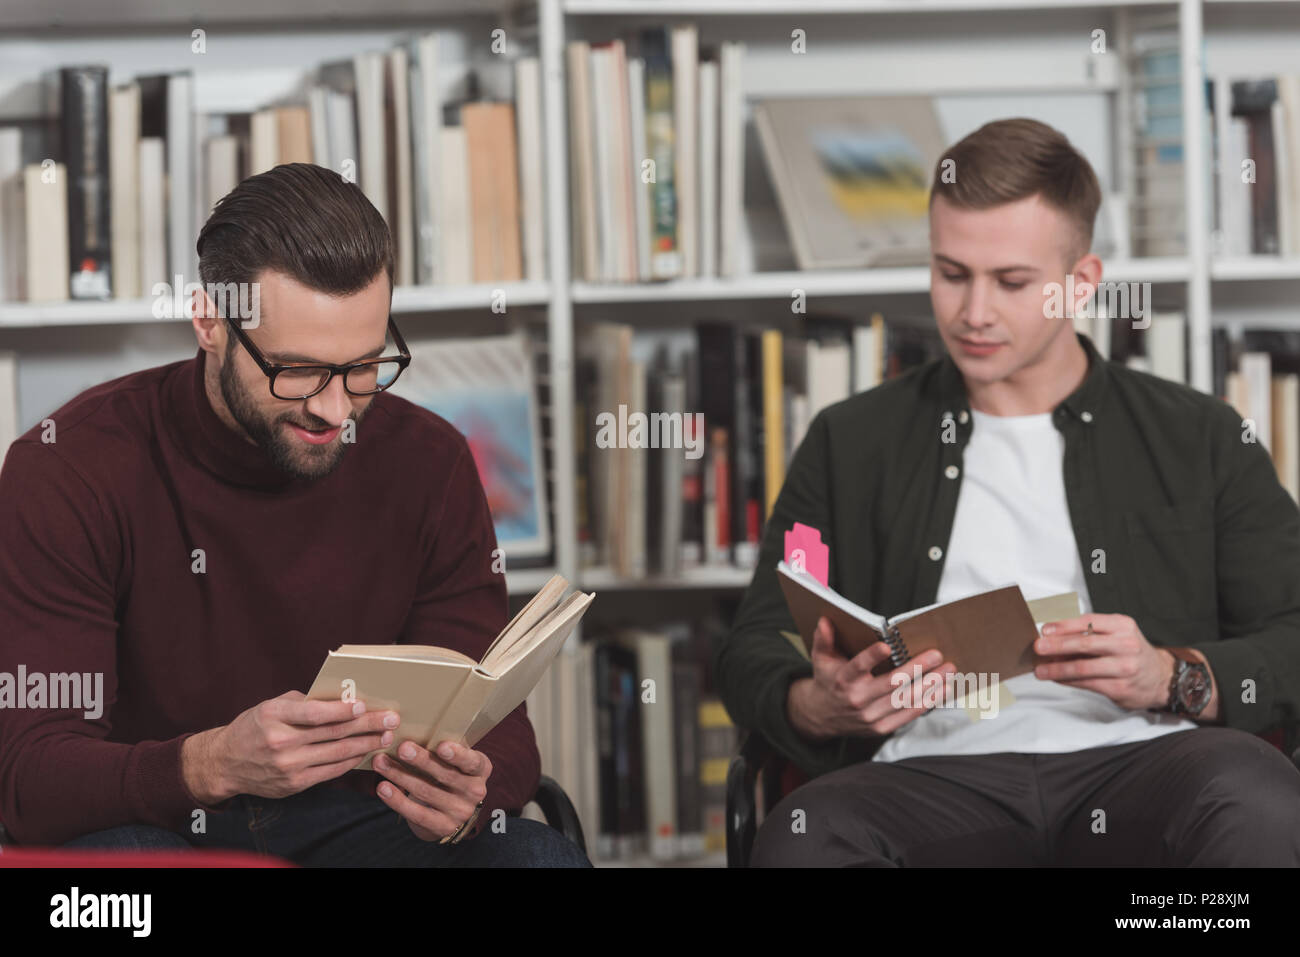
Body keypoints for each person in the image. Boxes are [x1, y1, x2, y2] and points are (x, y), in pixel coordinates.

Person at [715, 118, 1300, 866]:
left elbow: (1291, 633)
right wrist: (817, 702)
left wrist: (1171, 673)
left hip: (1143, 767)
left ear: (1080, 283)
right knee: (803, 840)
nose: (973, 313)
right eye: (951, 273)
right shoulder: (850, 440)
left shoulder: (1201, 436)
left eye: (1012, 282)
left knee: (1256, 797)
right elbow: (754, 644)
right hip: (928, 777)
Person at [0, 163, 589, 867]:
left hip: (366, 818)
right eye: (297, 371)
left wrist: (470, 793)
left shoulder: (431, 461)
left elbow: (507, 737)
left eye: (364, 365)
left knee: (532, 855)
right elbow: (28, 777)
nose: (335, 410)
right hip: (162, 822)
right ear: (209, 321)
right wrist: (209, 763)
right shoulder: (69, 468)